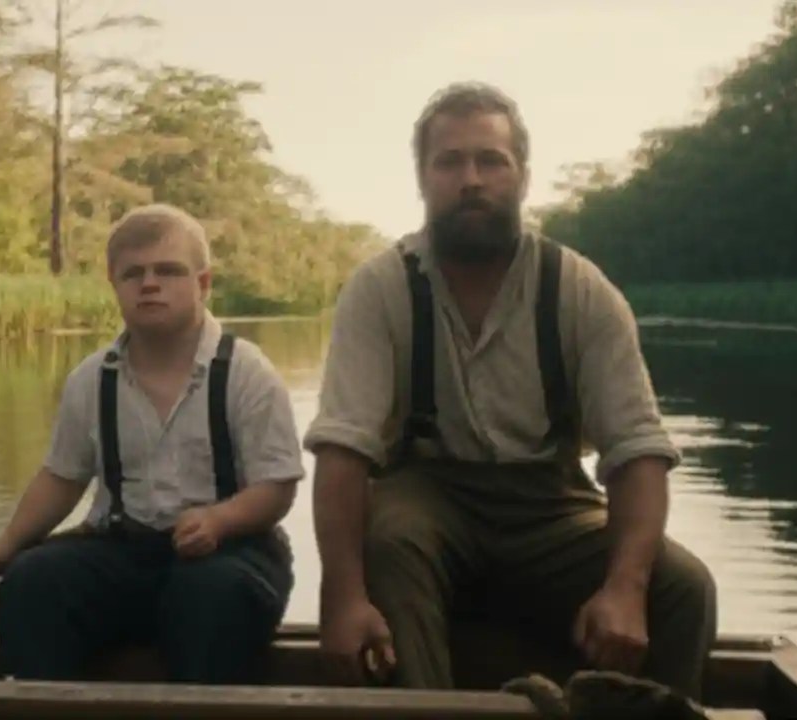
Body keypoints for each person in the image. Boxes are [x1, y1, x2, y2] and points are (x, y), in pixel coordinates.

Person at [304, 82, 718, 698]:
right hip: (427, 496)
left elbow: (637, 451)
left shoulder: (579, 289)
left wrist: (624, 590)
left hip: (551, 508)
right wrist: (341, 598)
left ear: (522, 176)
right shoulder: (380, 289)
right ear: (422, 178)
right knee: (391, 541)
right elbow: (343, 452)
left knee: (683, 586)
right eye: (449, 162)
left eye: (490, 160)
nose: (471, 179)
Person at [0, 203, 304, 684]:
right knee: (31, 583)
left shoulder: (247, 372)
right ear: (115, 285)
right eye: (134, 274)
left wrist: (219, 519)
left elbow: (277, 488)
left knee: (209, 593)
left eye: (168, 271)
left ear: (203, 284)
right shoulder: (91, 378)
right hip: (123, 555)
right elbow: (61, 478)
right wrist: (8, 542)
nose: (149, 284)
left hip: (235, 555)